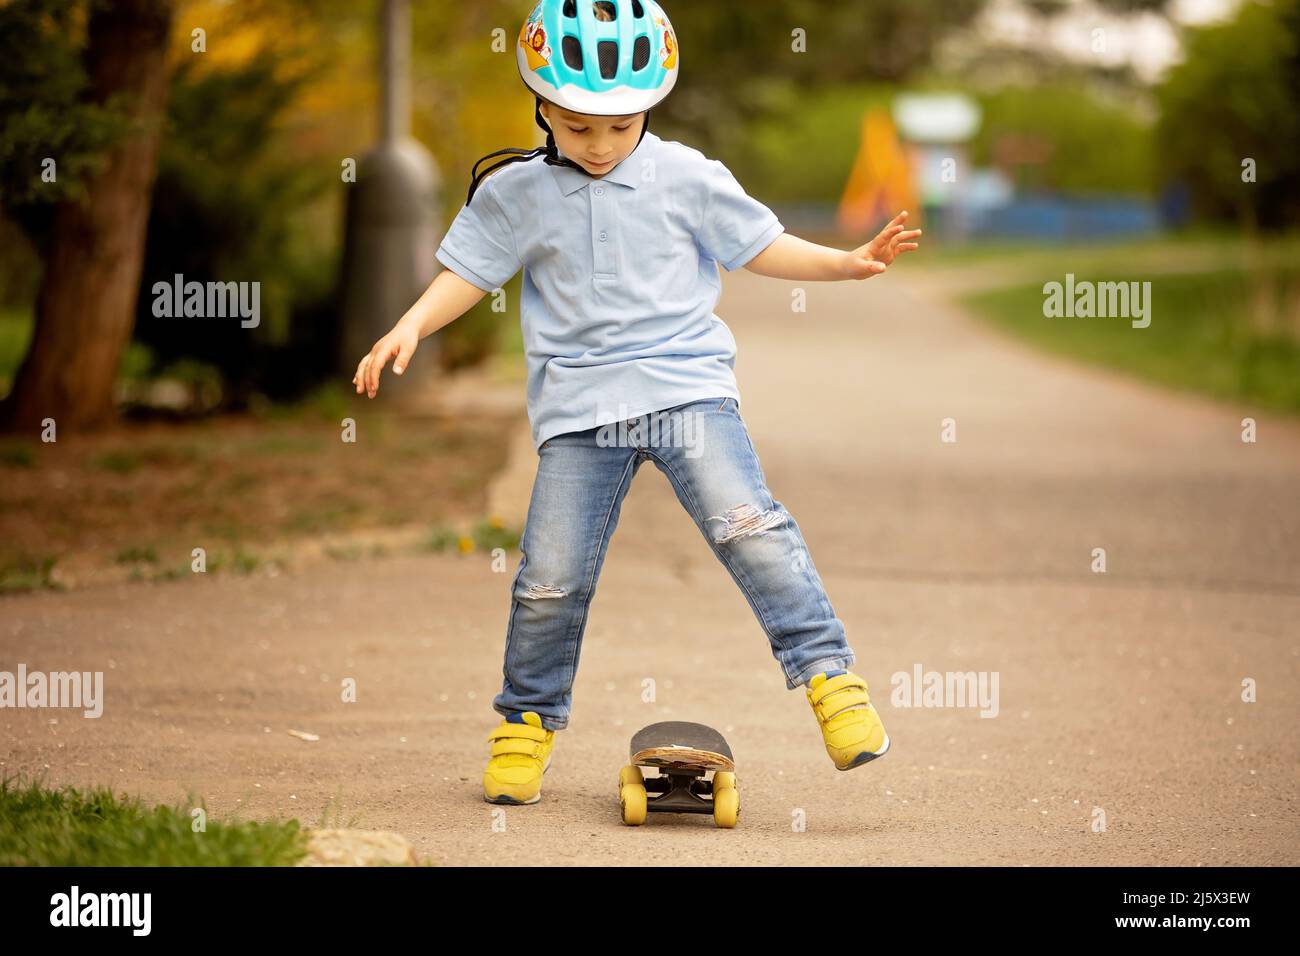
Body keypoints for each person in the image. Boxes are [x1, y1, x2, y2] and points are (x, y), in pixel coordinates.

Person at [351, 0, 922, 806]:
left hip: (687, 390)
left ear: (650, 107)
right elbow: (470, 272)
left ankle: (831, 680)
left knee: (751, 529)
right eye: (580, 127)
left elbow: (760, 246)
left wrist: (847, 262)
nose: (601, 145)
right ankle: (525, 724)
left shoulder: (687, 175)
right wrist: (408, 325)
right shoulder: (516, 192)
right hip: (580, 410)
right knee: (549, 579)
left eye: (622, 127)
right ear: (541, 104)